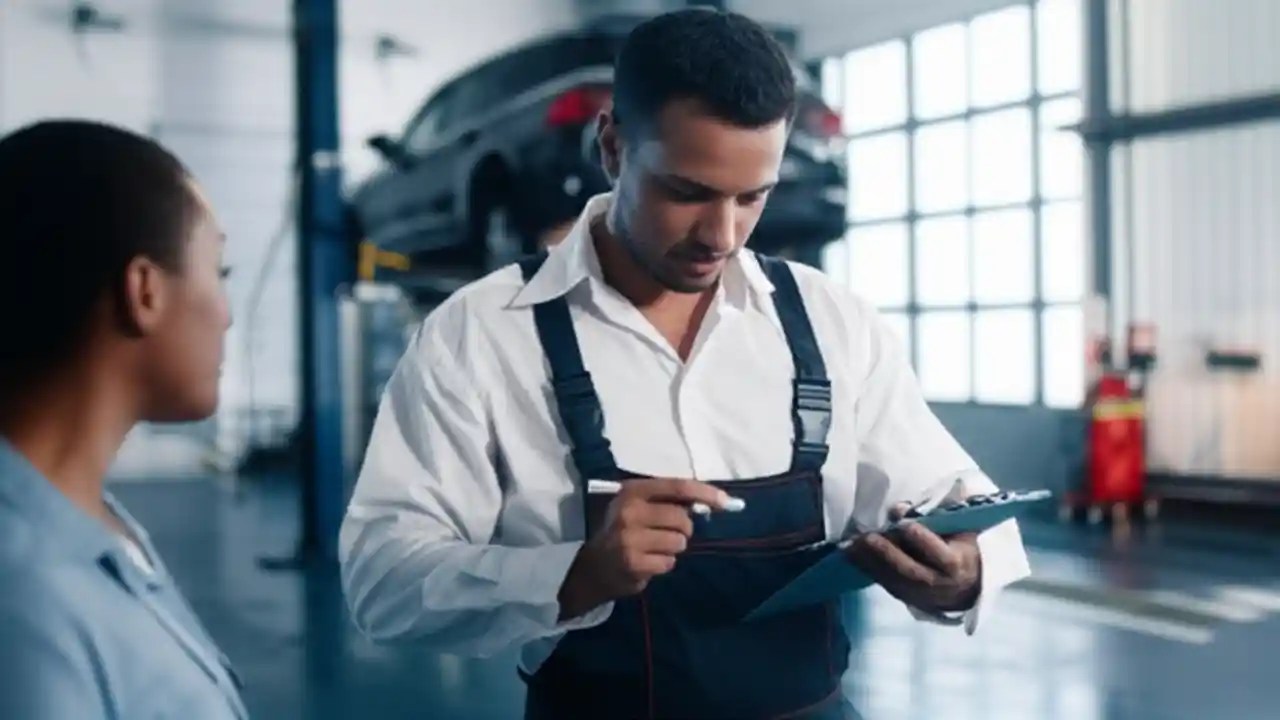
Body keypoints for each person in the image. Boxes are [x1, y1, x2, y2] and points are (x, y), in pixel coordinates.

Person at [340, 8, 1031, 719]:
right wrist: (571, 576)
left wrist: (961, 574)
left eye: (751, 196)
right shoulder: (480, 336)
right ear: (611, 146)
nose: (721, 234)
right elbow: (382, 579)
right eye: (687, 192)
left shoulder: (833, 323)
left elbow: (965, 506)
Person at [0, 120, 246, 719]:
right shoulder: (25, 603)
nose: (227, 315)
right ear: (145, 291)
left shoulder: (95, 530)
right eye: (219, 272)